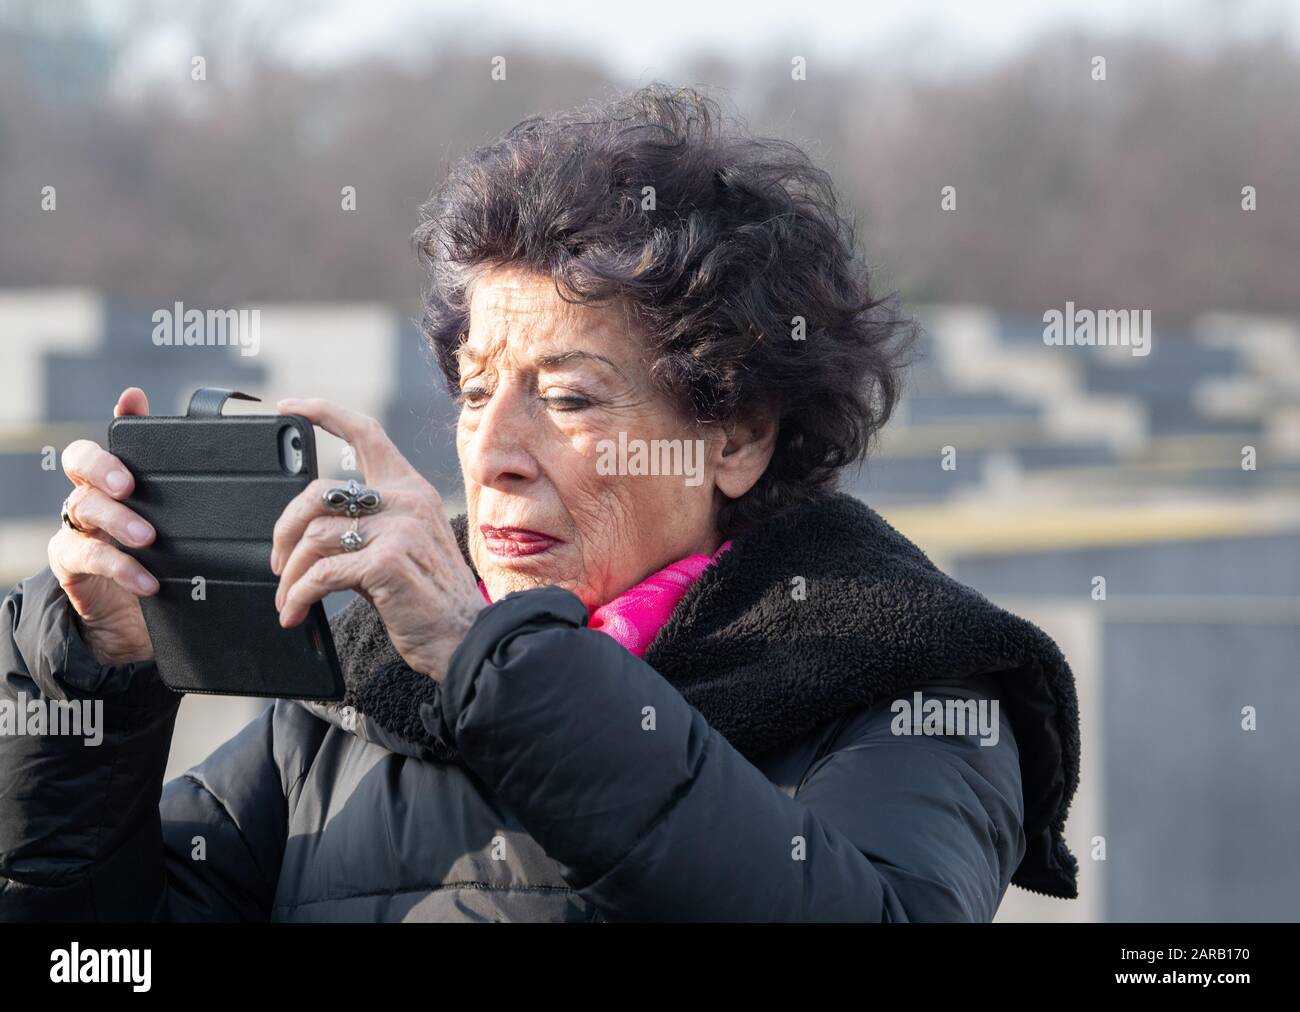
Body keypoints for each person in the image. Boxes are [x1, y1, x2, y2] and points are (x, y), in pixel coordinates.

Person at [0, 84, 1078, 922]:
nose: (495, 453)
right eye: (475, 393)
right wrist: (87, 674)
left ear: (739, 437)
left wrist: (497, 668)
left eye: (566, 398)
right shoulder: (355, 692)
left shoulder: (904, 683)